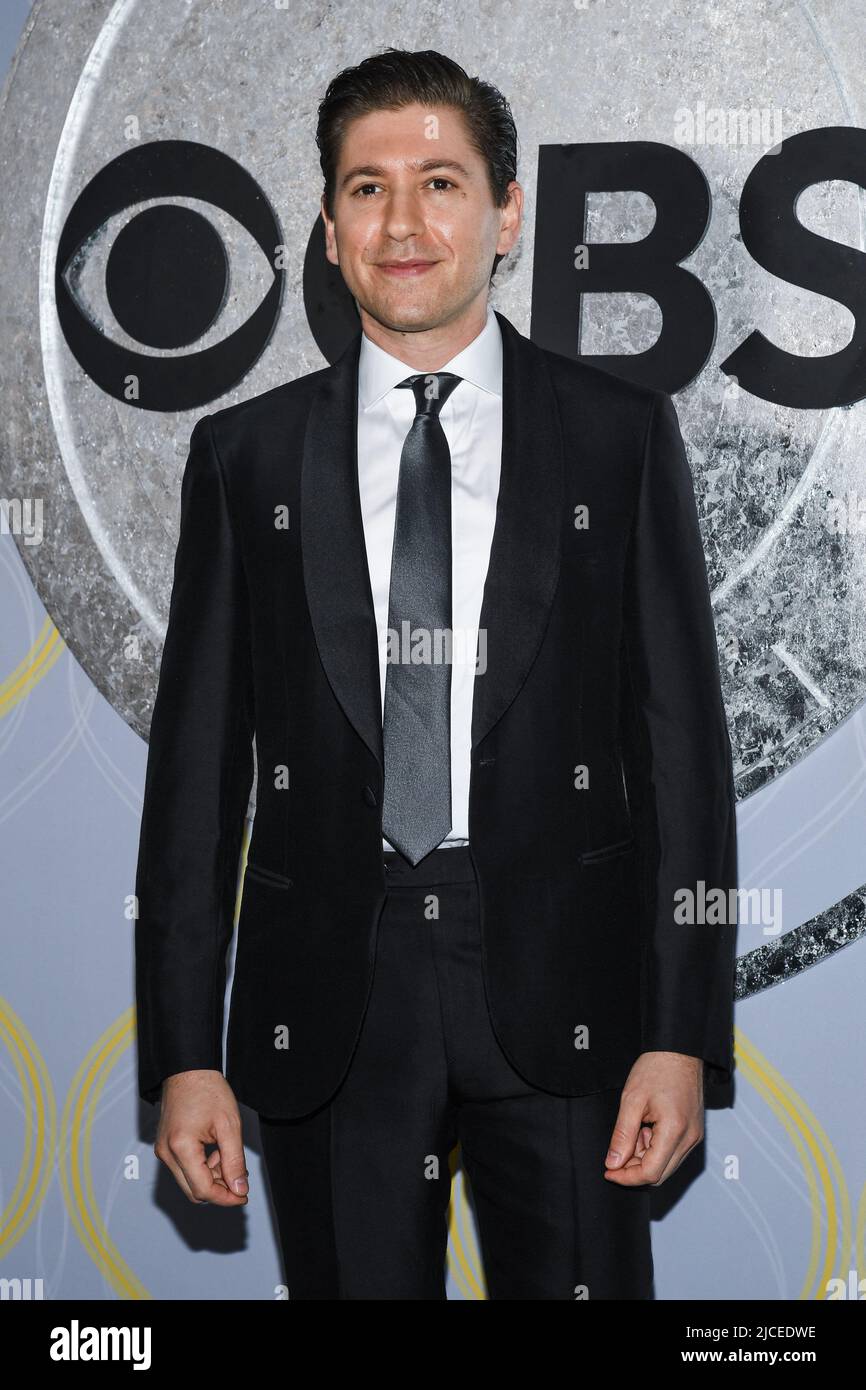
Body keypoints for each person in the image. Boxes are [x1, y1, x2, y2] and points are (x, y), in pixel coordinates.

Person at [135, 48, 738, 1300]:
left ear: (506, 211)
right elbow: (196, 780)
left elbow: (680, 755)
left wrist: (681, 1033)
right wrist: (183, 1052)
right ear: (325, 221)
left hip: (559, 989)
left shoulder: (615, 436)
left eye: (440, 182)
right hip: (330, 1001)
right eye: (365, 187)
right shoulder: (245, 457)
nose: (402, 222)